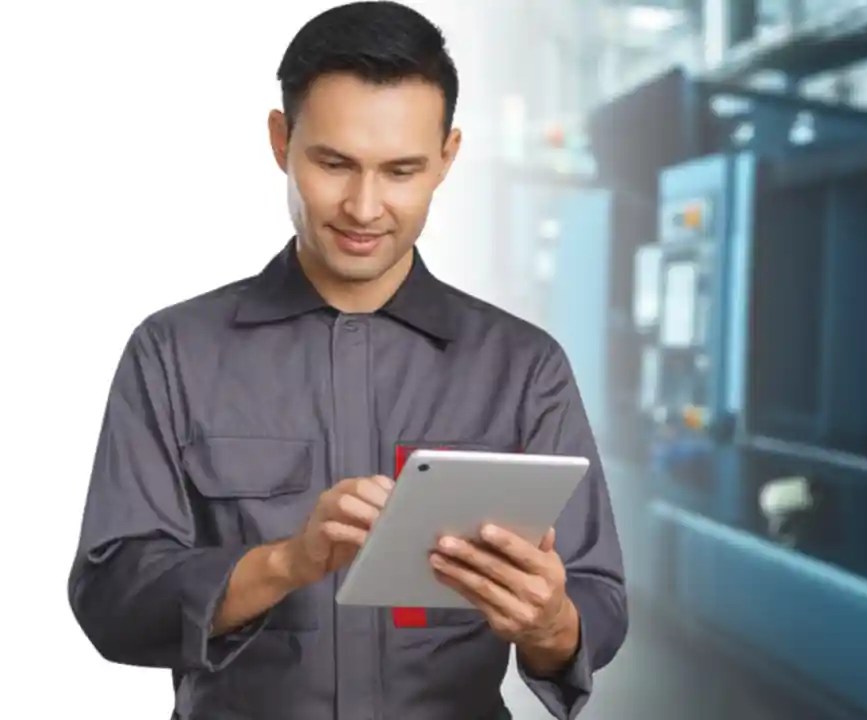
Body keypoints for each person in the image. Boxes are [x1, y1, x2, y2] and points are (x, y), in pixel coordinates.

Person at [65, 3, 627, 718]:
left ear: (447, 158)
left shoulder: (523, 368)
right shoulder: (174, 352)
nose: (365, 207)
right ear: (281, 140)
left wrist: (551, 621)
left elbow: (598, 597)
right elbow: (111, 599)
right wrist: (285, 564)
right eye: (334, 164)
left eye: (401, 171)